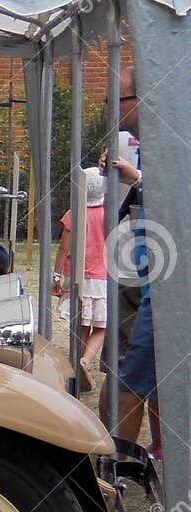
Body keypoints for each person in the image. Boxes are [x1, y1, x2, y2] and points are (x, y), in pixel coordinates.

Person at [108, 66, 161, 457]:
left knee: (130, 382)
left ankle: (118, 468)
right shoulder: (143, 145)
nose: (110, 107)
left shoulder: (166, 145)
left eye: (116, 100)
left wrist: (138, 179)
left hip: (163, 288)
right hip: (145, 277)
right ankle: (160, 452)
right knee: (153, 377)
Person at [52, 168, 109, 372]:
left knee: (82, 323)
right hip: (102, 276)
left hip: (76, 274)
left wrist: (56, 275)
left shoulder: (74, 214)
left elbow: (64, 248)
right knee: (102, 325)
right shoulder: (110, 214)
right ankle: (86, 360)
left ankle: (78, 362)